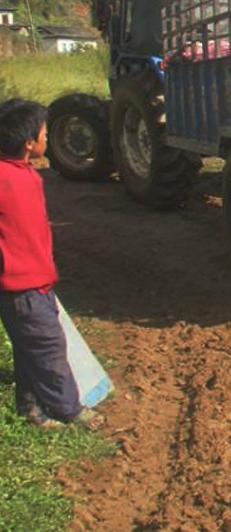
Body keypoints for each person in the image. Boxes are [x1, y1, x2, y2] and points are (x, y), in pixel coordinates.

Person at [0, 99, 104, 431]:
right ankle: (70, 411)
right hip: (20, 285)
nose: (48, 138)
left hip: (35, 280)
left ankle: (31, 409)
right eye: (45, 133)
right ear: (28, 142)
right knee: (48, 346)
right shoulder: (5, 178)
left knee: (31, 346)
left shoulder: (22, 173)